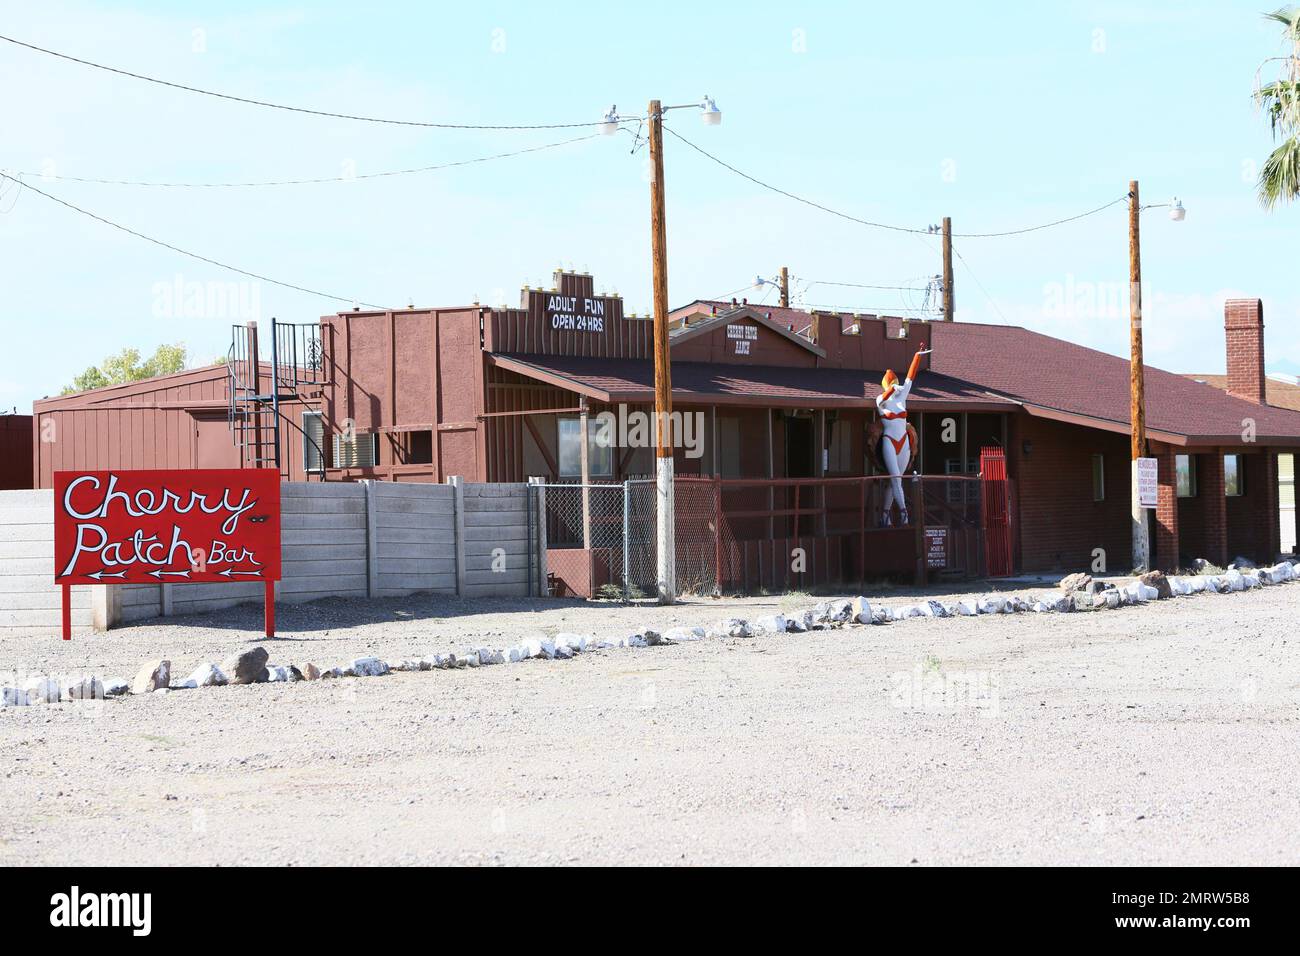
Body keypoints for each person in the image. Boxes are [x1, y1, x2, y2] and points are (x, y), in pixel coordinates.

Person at [874, 343, 933, 526]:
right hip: (889, 441)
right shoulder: (880, 400)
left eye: (894, 382)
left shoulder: (902, 398)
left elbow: (910, 378)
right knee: (896, 479)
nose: (895, 385)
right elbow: (883, 398)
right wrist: (892, 389)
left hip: (903, 441)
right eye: (891, 383)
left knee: (896, 481)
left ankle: (885, 515)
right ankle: (904, 514)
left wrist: (917, 356)